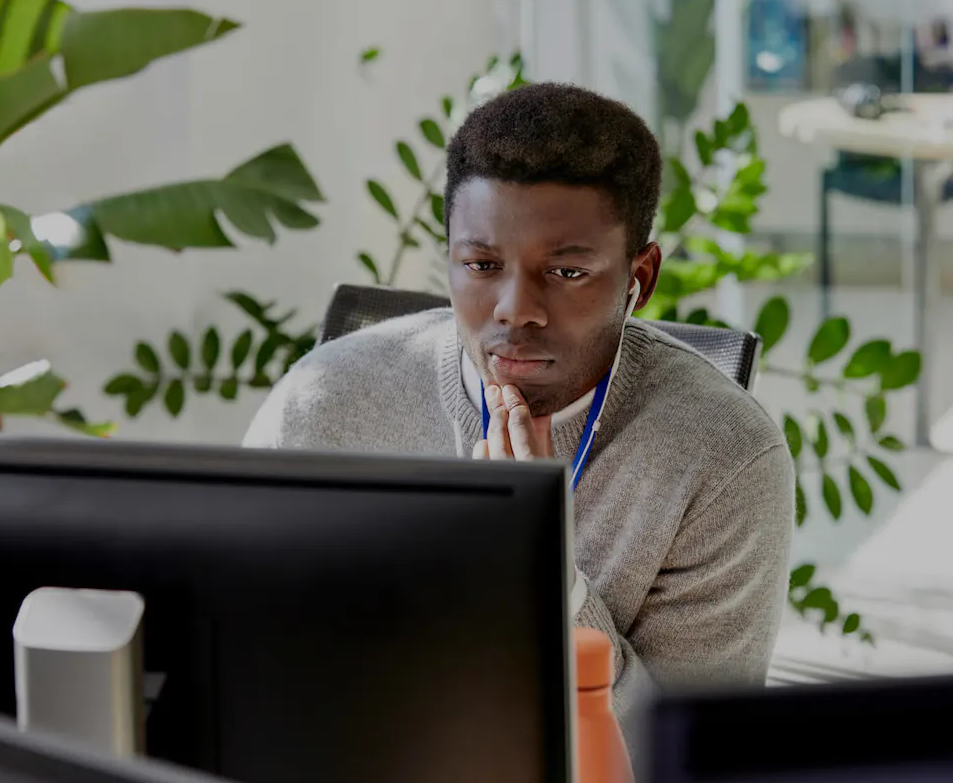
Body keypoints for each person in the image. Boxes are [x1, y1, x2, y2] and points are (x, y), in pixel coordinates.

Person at [245, 82, 794, 730]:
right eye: (481, 265)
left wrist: (547, 580)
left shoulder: (724, 459)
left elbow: (677, 749)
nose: (515, 309)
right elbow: (241, 654)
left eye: (565, 273)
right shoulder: (324, 400)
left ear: (638, 280)